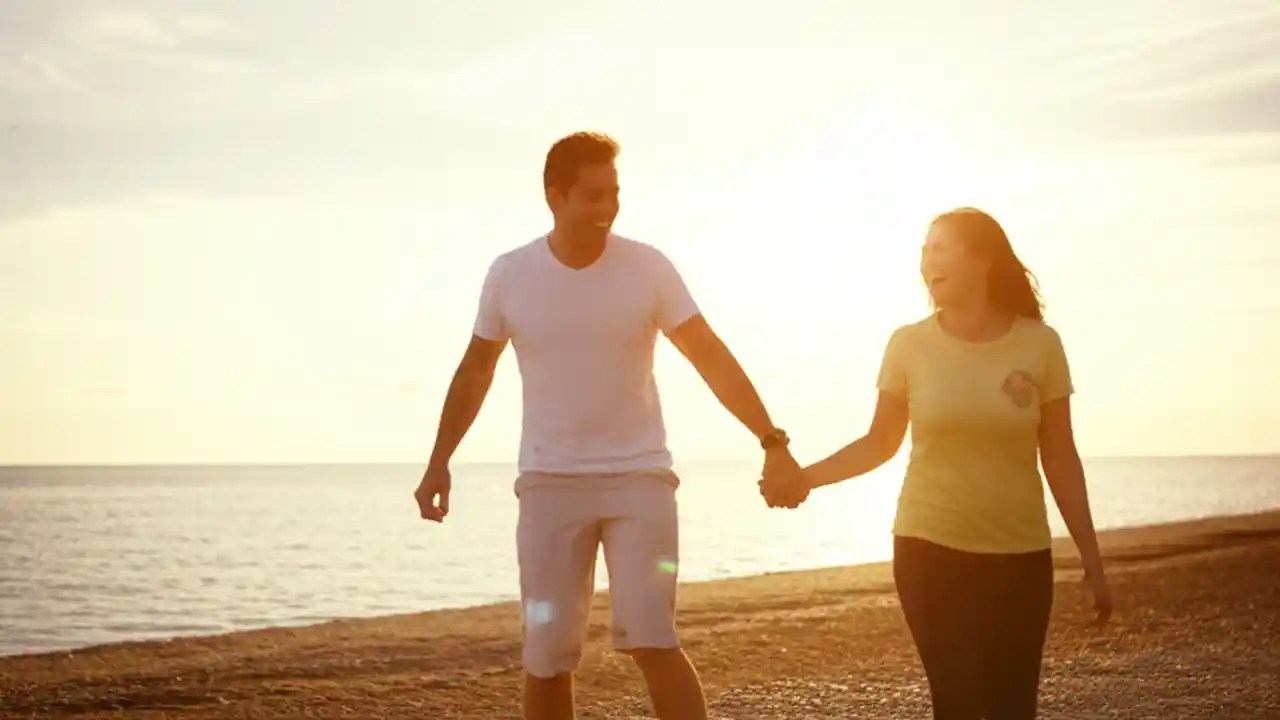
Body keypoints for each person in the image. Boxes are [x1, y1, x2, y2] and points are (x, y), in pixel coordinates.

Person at [415, 131, 805, 720]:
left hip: (640, 480)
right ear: (556, 197)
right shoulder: (511, 273)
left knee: (652, 636)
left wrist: (771, 440)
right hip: (549, 482)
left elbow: (708, 353)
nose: (607, 209)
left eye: (614, 194)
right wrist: (439, 460)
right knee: (547, 652)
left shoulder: (647, 268)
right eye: (592, 196)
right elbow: (475, 371)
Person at [763, 208, 1113, 719]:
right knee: (960, 704)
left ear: (985, 259)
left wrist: (1093, 560)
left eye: (941, 248)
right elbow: (880, 442)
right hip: (931, 551)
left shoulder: (1040, 345)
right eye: (925, 251)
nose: (928, 261)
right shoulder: (910, 344)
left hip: (1021, 557)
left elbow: (1059, 456)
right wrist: (804, 480)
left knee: (1014, 708)